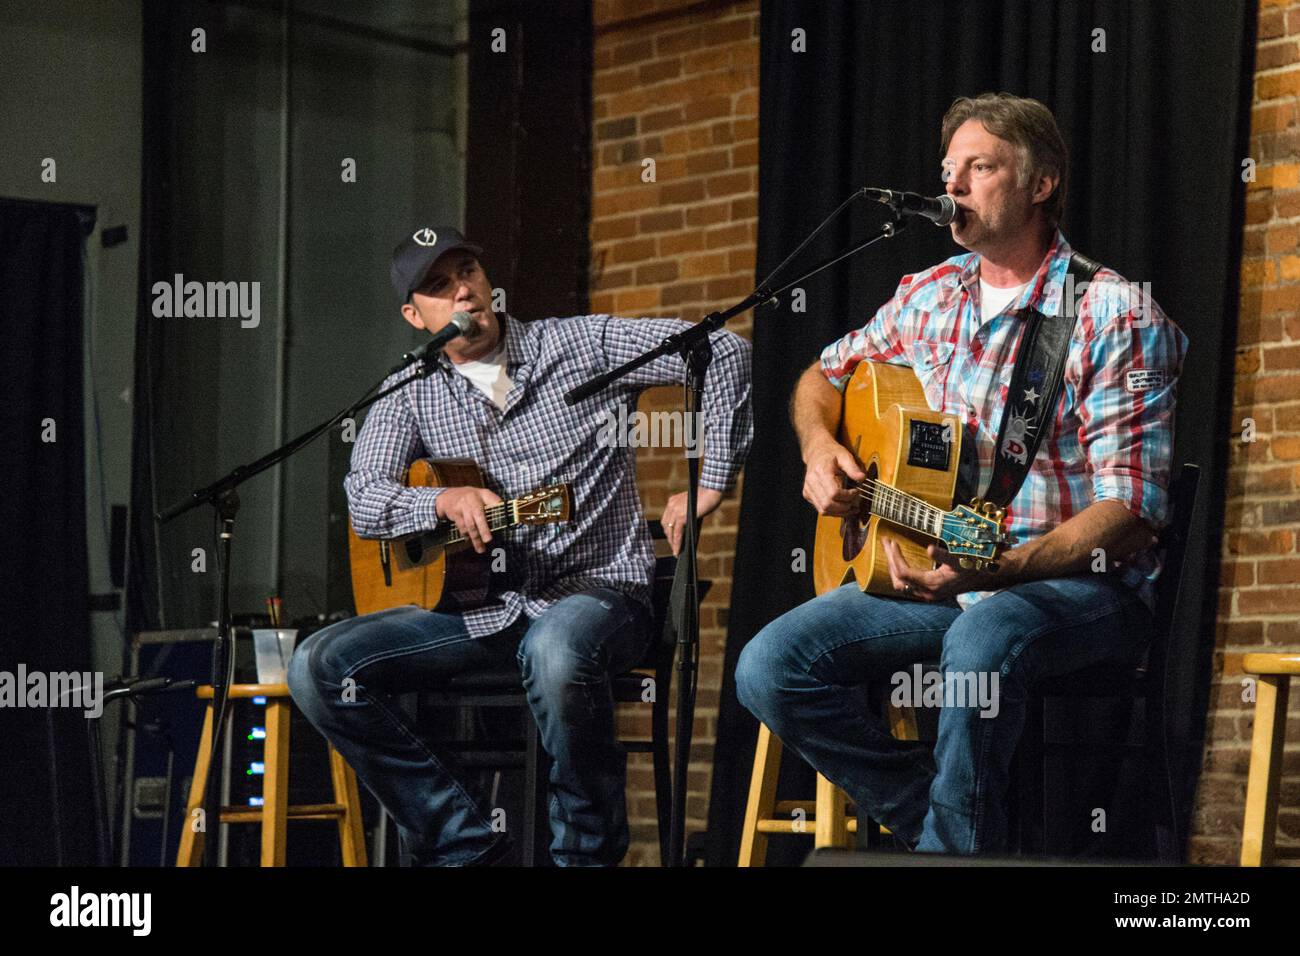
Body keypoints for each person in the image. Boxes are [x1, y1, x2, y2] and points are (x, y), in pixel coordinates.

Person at [735, 93, 1188, 855]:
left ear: (1041, 183)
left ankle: (956, 844)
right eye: (949, 171)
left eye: (980, 167)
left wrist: (1003, 570)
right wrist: (819, 448)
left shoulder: (1113, 313)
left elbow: (1132, 508)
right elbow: (821, 376)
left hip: (1081, 585)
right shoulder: (927, 294)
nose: (955, 187)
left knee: (982, 636)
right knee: (770, 666)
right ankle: (950, 836)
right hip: (946, 579)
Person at [288, 225, 752, 866]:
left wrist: (713, 480)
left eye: (468, 272)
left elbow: (720, 349)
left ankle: (585, 856)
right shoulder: (409, 392)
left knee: (556, 650)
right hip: (479, 612)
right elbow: (363, 498)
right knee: (318, 667)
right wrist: (438, 501)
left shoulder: (581, 344)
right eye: (438, 286)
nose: (462, 293)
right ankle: (464, 844)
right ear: (414, 314)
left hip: (596, 593)